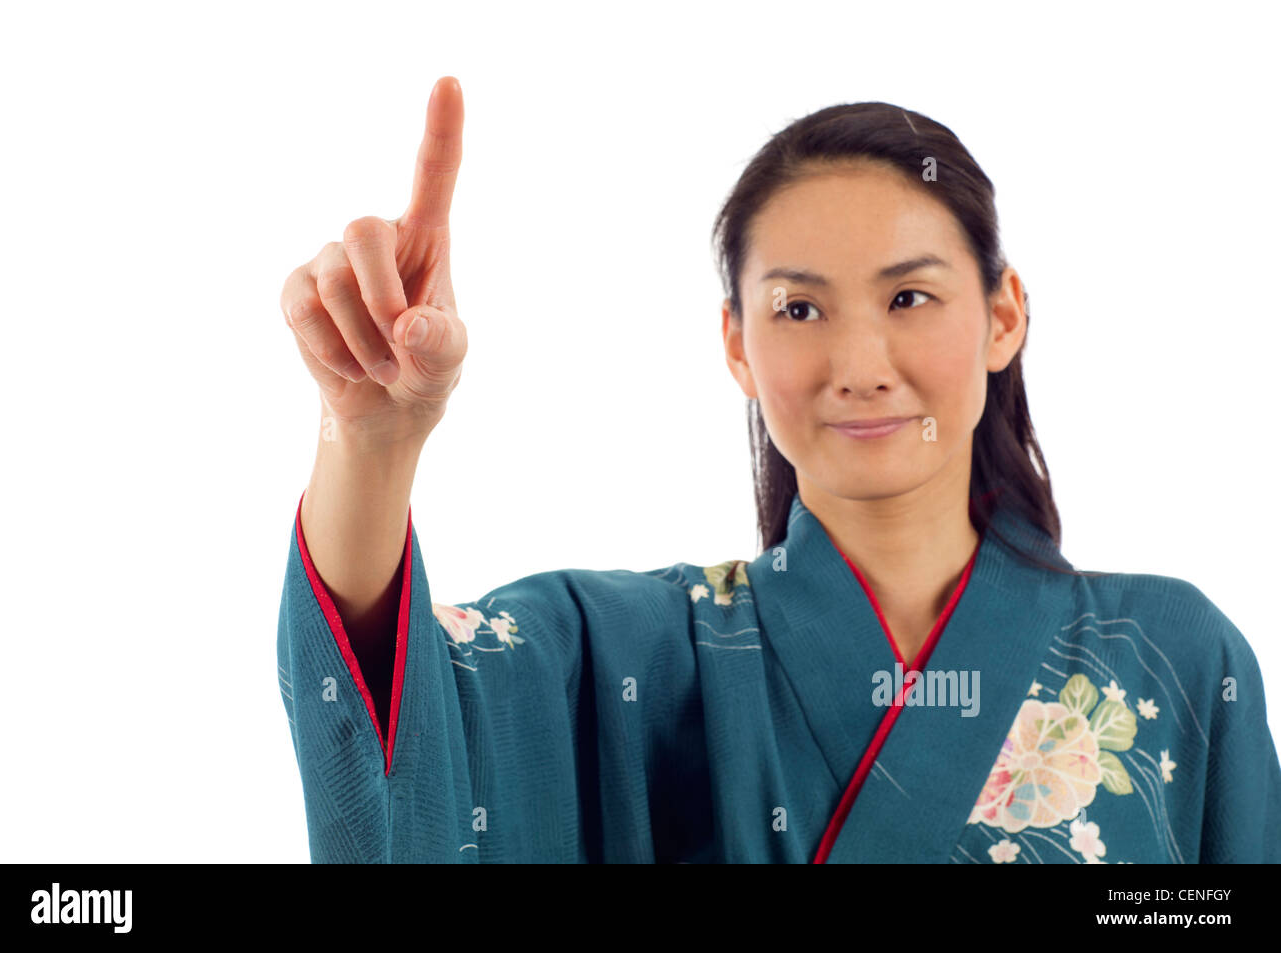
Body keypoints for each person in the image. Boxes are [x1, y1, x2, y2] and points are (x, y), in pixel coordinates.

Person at [276, 75, 1281, 863]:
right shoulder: (642, 657)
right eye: (798, 309)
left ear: (1003, 315)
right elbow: (399, 720)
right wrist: (373, 443)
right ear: (737, 345)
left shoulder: (1177, 657)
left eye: (910, 297)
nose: (859, 366)